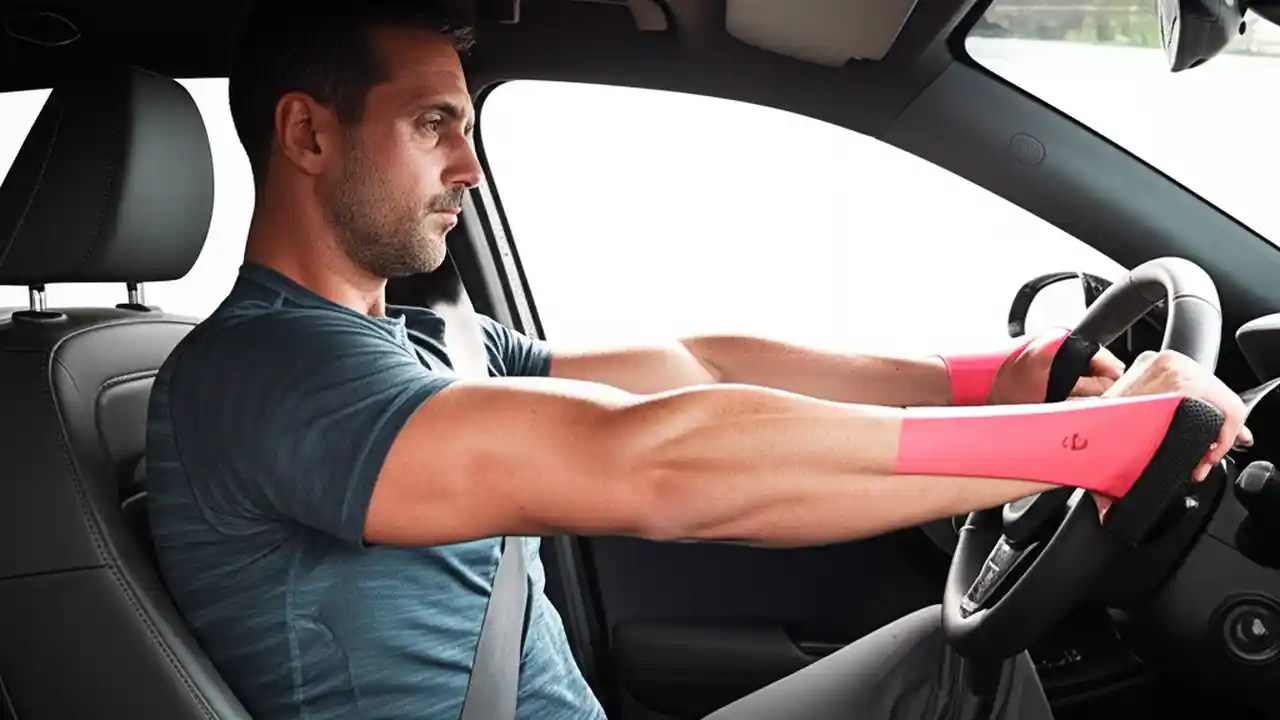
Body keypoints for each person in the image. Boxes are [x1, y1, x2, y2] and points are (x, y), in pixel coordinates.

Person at [144, 2, 1249, 719]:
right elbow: (652, 466)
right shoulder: (263, 374)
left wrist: (980, 380)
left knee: (955, 666)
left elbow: (693, 365)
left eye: (469, 125)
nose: (469, 166)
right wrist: (1075, 446)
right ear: (306, 135)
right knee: (955, 677)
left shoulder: (429, 344)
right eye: (434, 124)